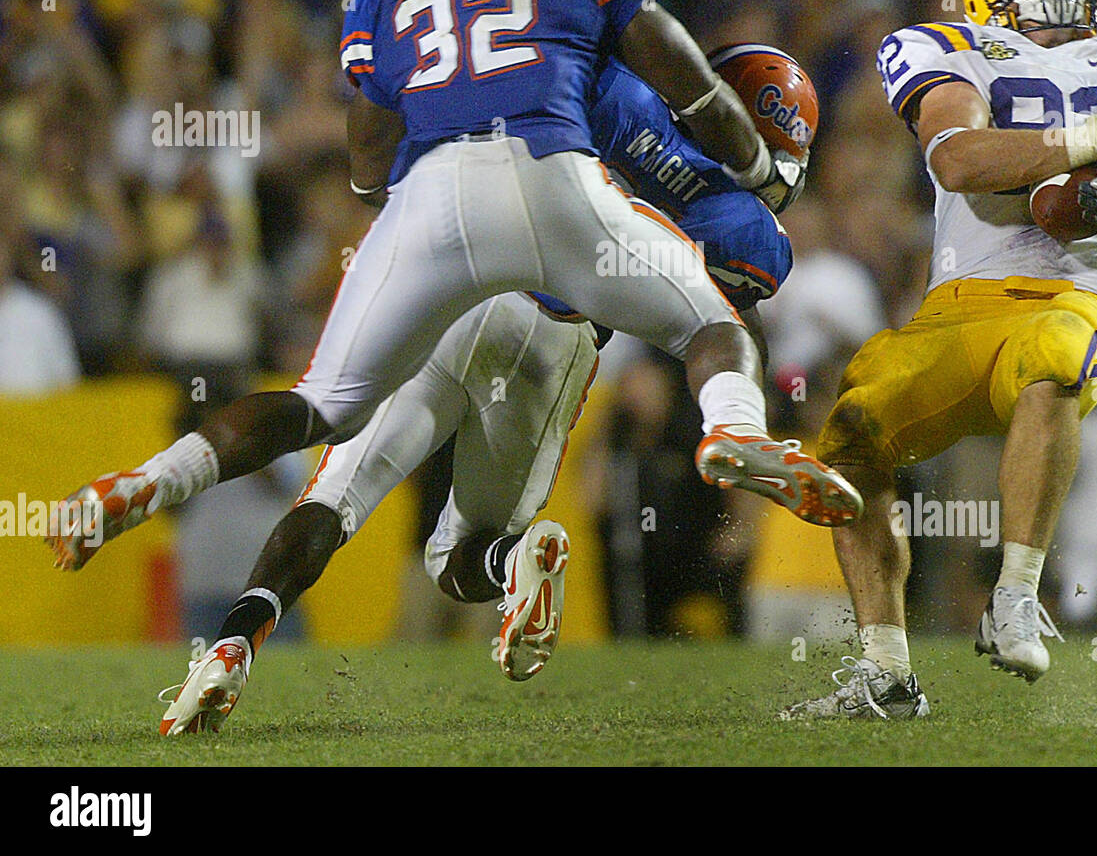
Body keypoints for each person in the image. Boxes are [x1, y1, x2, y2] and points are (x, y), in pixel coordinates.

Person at [44, 0, 861, 704]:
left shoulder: (393, 0)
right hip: (558, 251)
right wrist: (748, 163)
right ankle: (724, 434)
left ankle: (162, 508)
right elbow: (672, 75)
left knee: (328, 429)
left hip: (435, 217)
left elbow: (367, 166)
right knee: (706, 337)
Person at [154, 42, 813, 735]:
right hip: (557, 340)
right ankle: (516, 557)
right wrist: (741, 409)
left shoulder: (622, 95)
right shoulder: (749, 230)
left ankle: (234, 640)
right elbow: (733, 324)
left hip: (467, 284)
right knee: (459, 558)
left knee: (335, 492)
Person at [781, 0, 1097, 720]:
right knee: (850, 435)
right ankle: (886, 676)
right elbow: (957, 160)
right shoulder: (943, 46)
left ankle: (1016, 597)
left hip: (1069, 294)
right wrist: (1086, 139)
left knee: (1059, 356)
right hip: (960, 307)